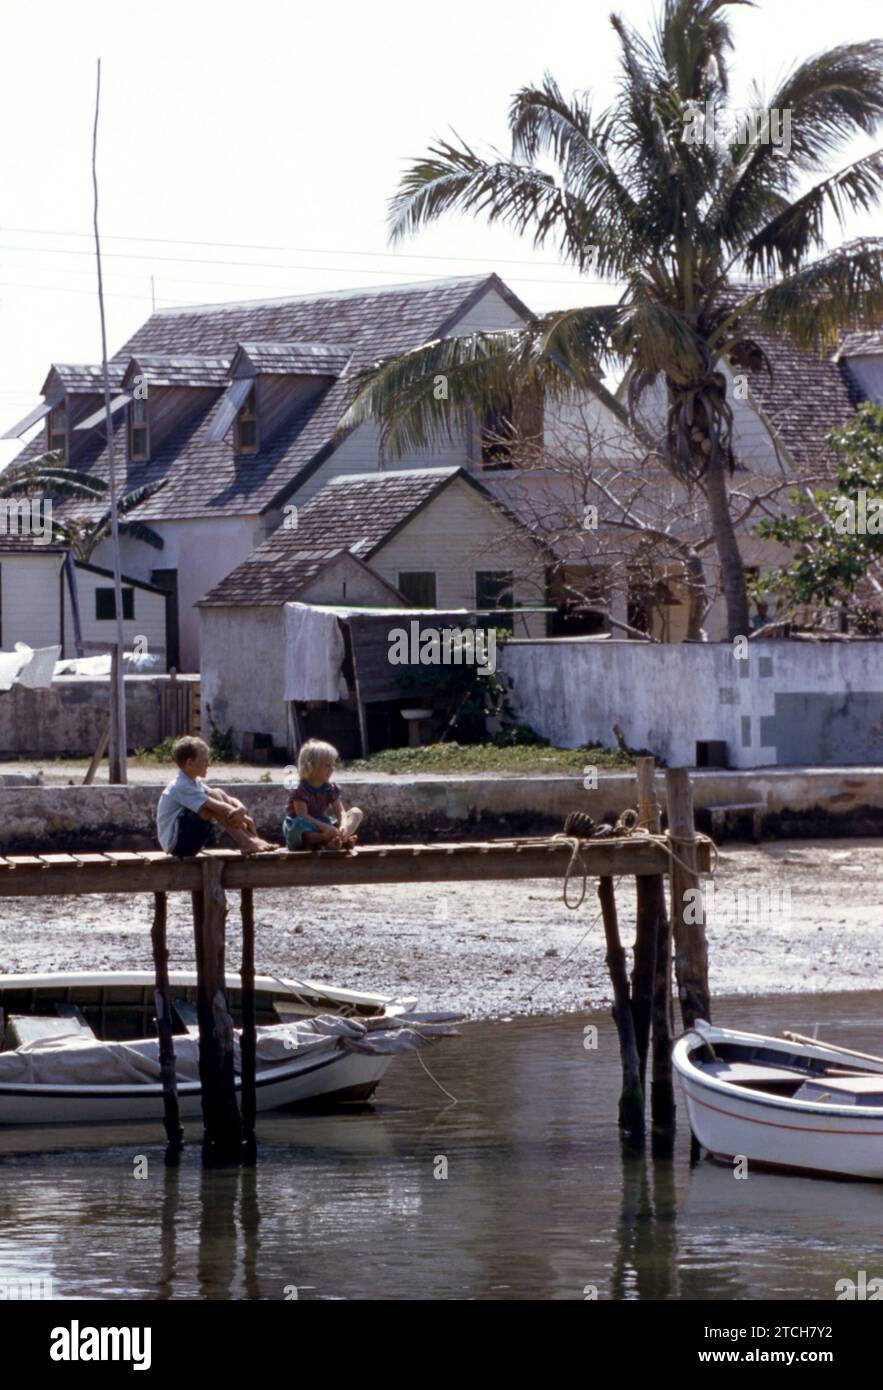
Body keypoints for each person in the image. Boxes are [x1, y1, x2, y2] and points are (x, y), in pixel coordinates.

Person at [157, 735, 279, 857]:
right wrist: (245, 819)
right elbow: (217, 806)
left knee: (217, 792)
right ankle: (245, 842)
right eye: (204, 760)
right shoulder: (180, 785)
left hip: (188, 839)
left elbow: (228, 799)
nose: (208, 764)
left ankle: (251, 840)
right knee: (210, 805)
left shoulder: (194, 783)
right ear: (189, 763)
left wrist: (242, 809)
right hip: (178, 845)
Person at [283, 739, 364, 851]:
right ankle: (324, 840)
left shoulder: (330, 787)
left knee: (356, 812)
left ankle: (340, 839)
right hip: (305, 826)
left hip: (322, 822)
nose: (331, 770)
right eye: (327, 765)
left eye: (333, 765)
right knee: (299, 824)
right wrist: (324, 827)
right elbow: (303, 815)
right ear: (311, 767)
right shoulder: (299, 788)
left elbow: (340, 812)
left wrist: (343, 825)